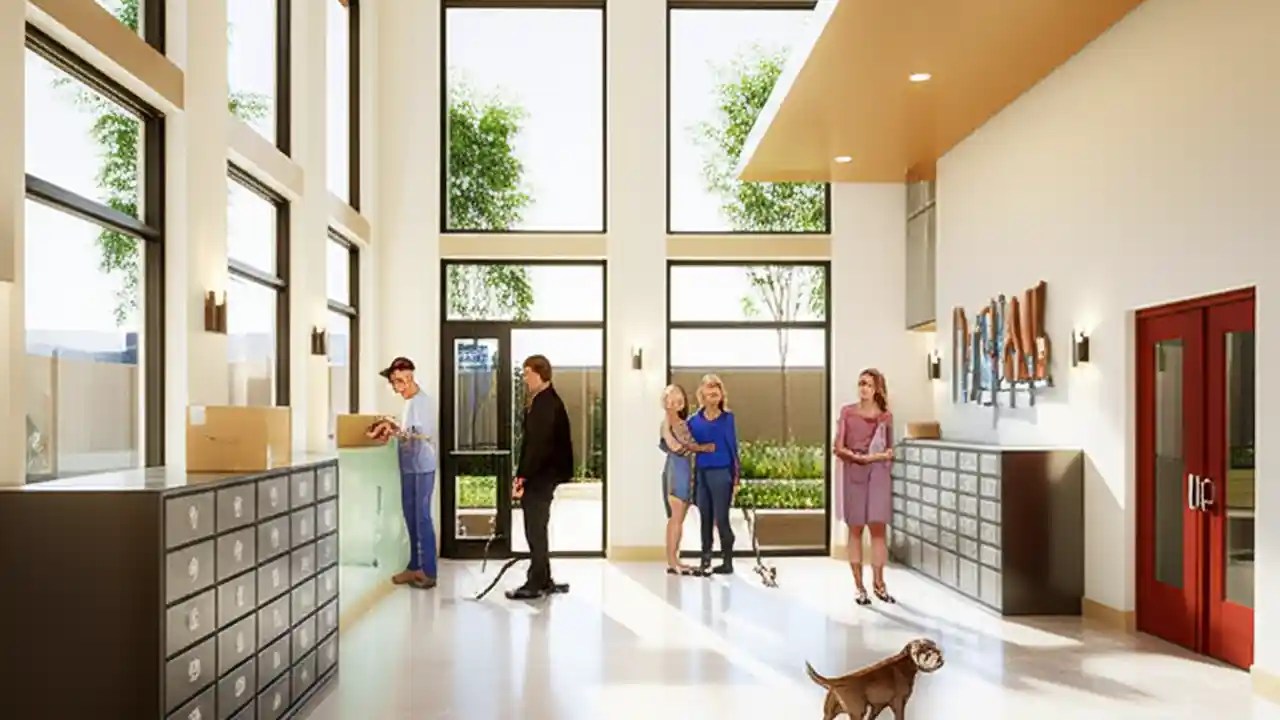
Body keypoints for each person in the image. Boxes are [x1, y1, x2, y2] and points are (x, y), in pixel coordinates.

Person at [506, 354, 574, 600]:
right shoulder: (544, 400)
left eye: (527, 373)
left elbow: (537, 445)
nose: (524, 379)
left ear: (539, 373)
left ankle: (535, 583)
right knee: (538, 528)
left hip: (541, 475)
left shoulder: (546, 403)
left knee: (534, 528)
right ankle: (543, 579)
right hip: (542, 474)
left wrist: (522, 476)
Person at [369, 356, 438, 590]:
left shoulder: (422, 402)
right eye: (393, 382)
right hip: (409, 467)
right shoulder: (409, 403)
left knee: (422, 517)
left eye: (397, 382)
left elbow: (422, 434)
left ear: (407, 378)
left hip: (423, 467)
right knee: (410, 516)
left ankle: (428, 572)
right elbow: (408, 432)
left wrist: (396, 431)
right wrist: (392, 428)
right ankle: (414, 566)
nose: (395, 387)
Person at [833, 368, 896, 606]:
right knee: (856, 529)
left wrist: (878, 458)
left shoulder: (885, 417)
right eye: (861, 383)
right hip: (854, 474)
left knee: (878, 530)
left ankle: (880, 583)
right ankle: (859, 587)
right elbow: (838, 447)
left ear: (877, 388)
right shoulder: (847, 413)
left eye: (868, 384)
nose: (863, 388)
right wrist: (858, 458)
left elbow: (890, 450)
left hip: (878, 474)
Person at [686, 374, 740, 575]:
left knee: (721, 518)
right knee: (705, 517)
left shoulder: (728, 419)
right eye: (709, 391)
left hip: (722, 474)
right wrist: (700, 448)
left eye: (716, 391)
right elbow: (687, 445)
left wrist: (736, 478)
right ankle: (705, 559)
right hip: (702, 474)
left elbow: (734, 448)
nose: (713, 395)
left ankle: (727, 561)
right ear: (702, 394)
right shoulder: (694, 421)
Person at [658, 384, 714, 576]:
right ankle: (673, 562)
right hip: (677, 473)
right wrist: (704, 448)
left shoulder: (682, 422)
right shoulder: (669, 422)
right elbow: (678, 447)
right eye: (671, 400)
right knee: (675, 519)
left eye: (679, 399)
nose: (675, 403)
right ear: (665, 403)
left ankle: (675, 560)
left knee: (678, 519)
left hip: (685, 472)